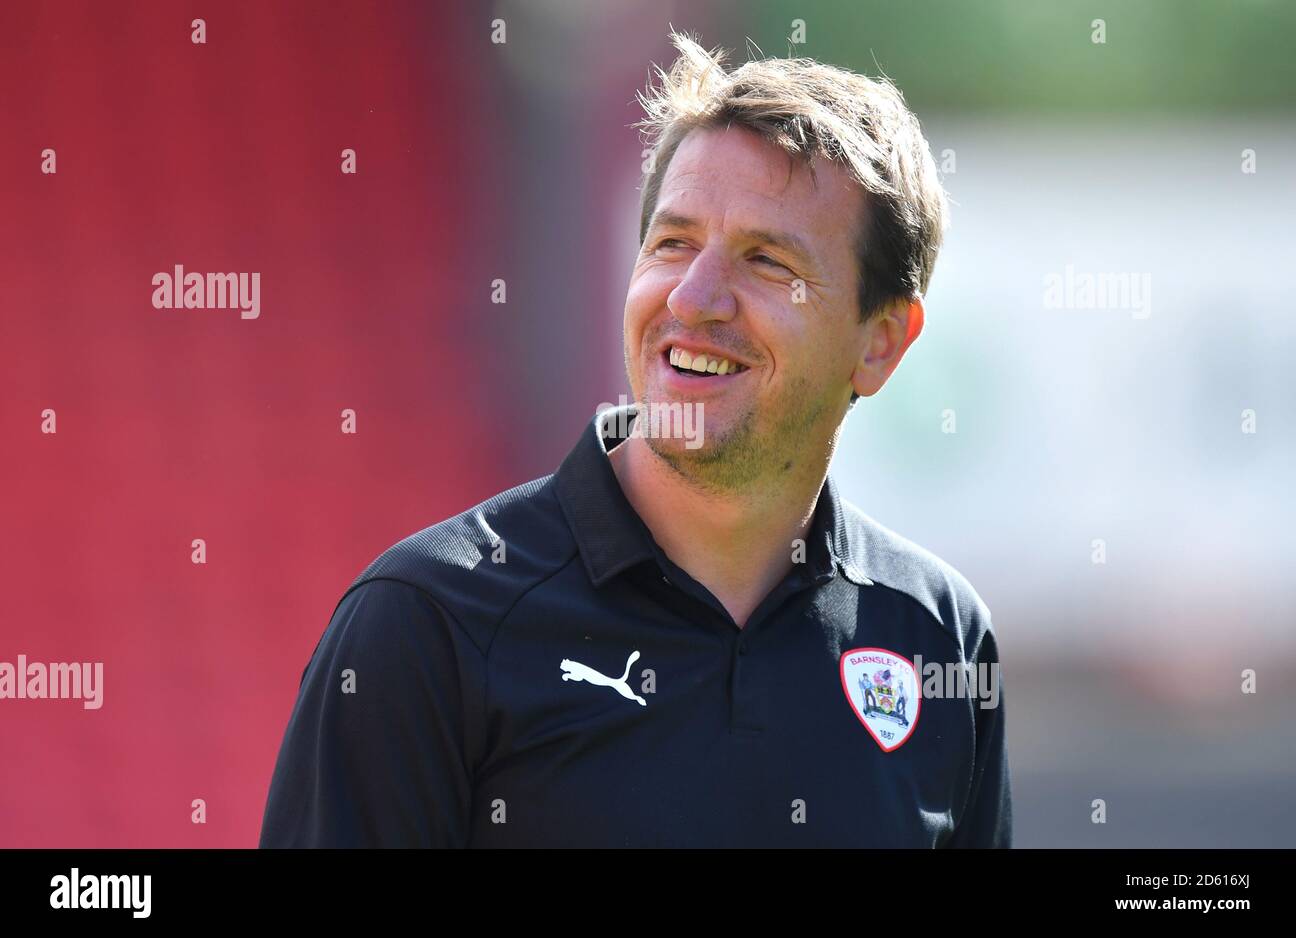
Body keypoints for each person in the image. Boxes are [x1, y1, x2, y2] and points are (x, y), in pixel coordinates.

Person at [259, 30, 1011, 848]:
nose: (692, 300)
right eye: (673, 243)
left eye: (765, 261)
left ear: (881, 342)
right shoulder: (427, 623)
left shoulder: (938, 637)